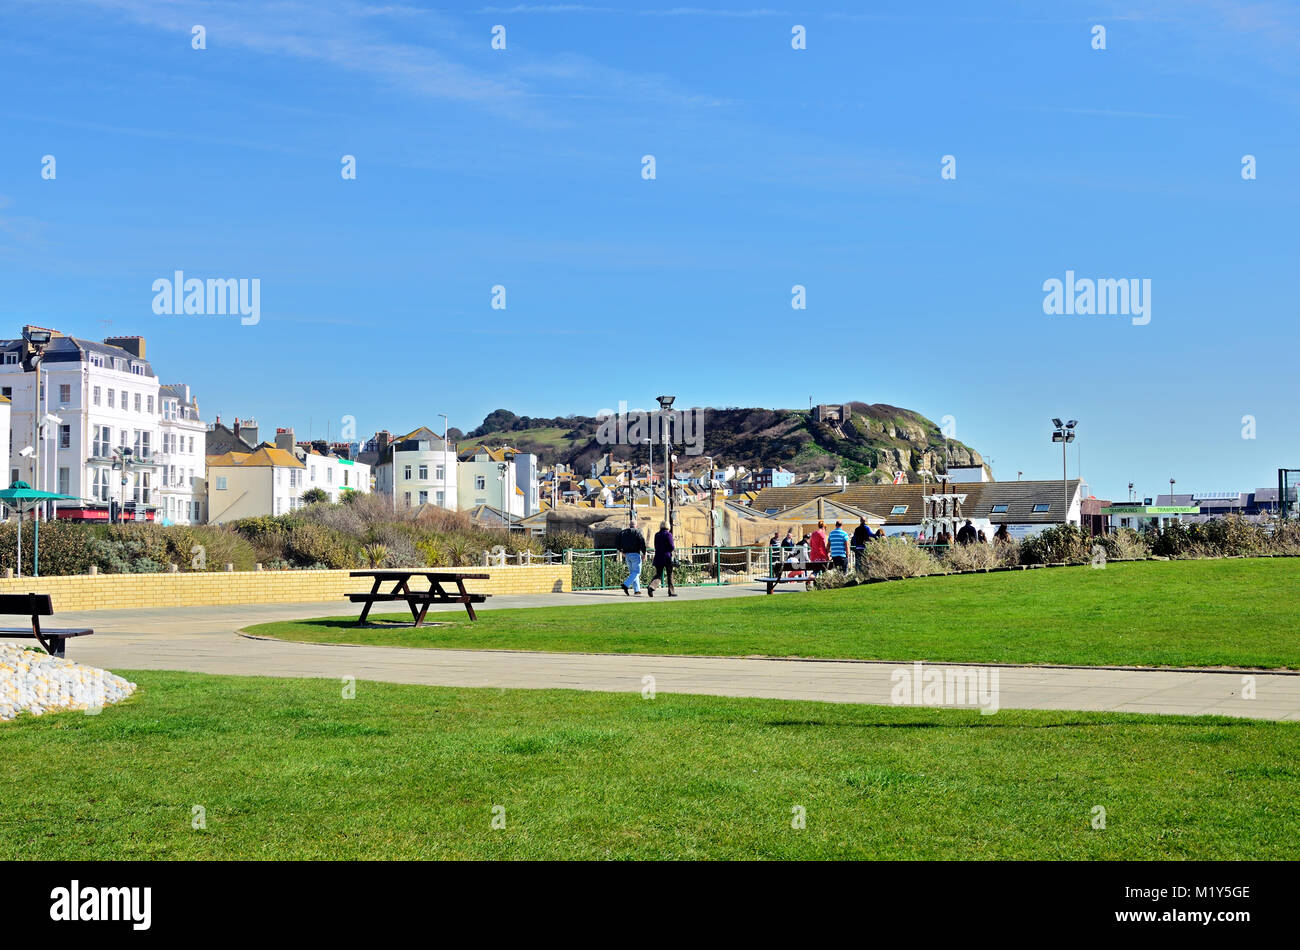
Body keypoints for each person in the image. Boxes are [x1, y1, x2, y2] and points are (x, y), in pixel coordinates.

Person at [648, 521, 677, 597]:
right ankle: (671, 591)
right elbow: (672, 546)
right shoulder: (668, 534)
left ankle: (652, 587)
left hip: (658, 557)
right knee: (670, 574)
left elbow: (655, 546)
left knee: (658, 574)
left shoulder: (657, 535)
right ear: (668, 526)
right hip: (667, 557)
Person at [618, 521, 647, 596]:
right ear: (636, 526)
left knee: (633, 573)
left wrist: (621, 551)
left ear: (629, 525)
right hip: (635, 554)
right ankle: (626, 584)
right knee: (637, 572)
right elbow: (642, 542)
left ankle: (637, 590)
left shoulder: (623, 533)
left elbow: (617, 542)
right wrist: (644, 553)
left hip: (627, 555)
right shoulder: (637, 532)